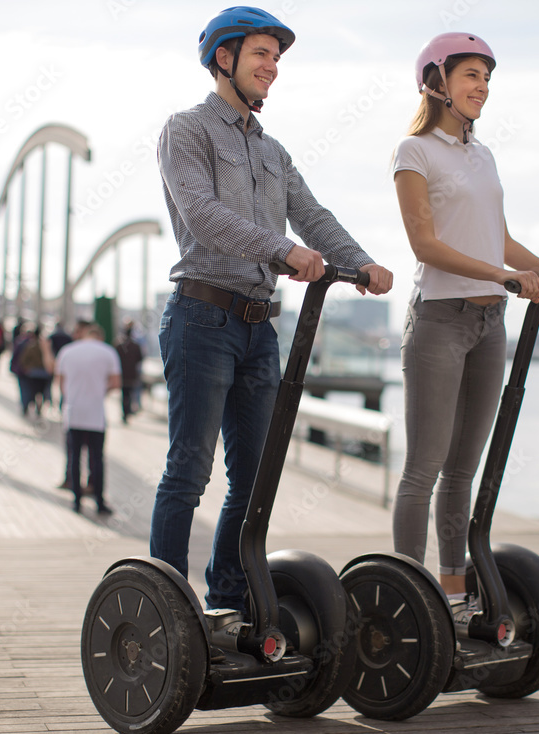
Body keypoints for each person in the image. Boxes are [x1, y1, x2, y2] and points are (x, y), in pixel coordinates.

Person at [150, 6, 393, 614]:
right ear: (224, 58)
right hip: (202, 318)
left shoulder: (274, 152)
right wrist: (284, 251)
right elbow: (204, 216)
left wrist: (360, 261)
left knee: (255, 479)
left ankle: (228, 600)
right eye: (262, 54)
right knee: (189, 471)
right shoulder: (187, 129)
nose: (273, 67)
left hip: (260, 328)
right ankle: (167, 604)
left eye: (277, 58)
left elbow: (312, 215)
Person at [390, 32, 539, 613]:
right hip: (439, 319)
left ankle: (454, 598)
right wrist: (502, 276)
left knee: (463, 472)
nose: (483, 87)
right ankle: (406, 598)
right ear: (437, 82)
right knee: (424, 469)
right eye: (471, 76)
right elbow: (425, 244)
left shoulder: (482, 155)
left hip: (490, 324)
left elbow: (502, 241)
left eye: (487, 77)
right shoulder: (415, 152)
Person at [54, 321, 121, 515]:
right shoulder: (108, 352)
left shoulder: (67, 351)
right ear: (100, 336)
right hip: (95, 414)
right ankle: (99, 502)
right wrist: (100, 392)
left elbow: (60, 383)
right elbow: (116, 383)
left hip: (73, 413)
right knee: (97, 458)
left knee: (74, 457)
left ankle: (76, 501)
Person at [115, 321, 143, 423]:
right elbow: (140, 358)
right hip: (131, 375)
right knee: (130, 394)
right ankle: (127, 411)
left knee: (124, 395)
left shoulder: (118, 345)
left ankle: (124, 412)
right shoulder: (135, 346)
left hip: (122, 374)